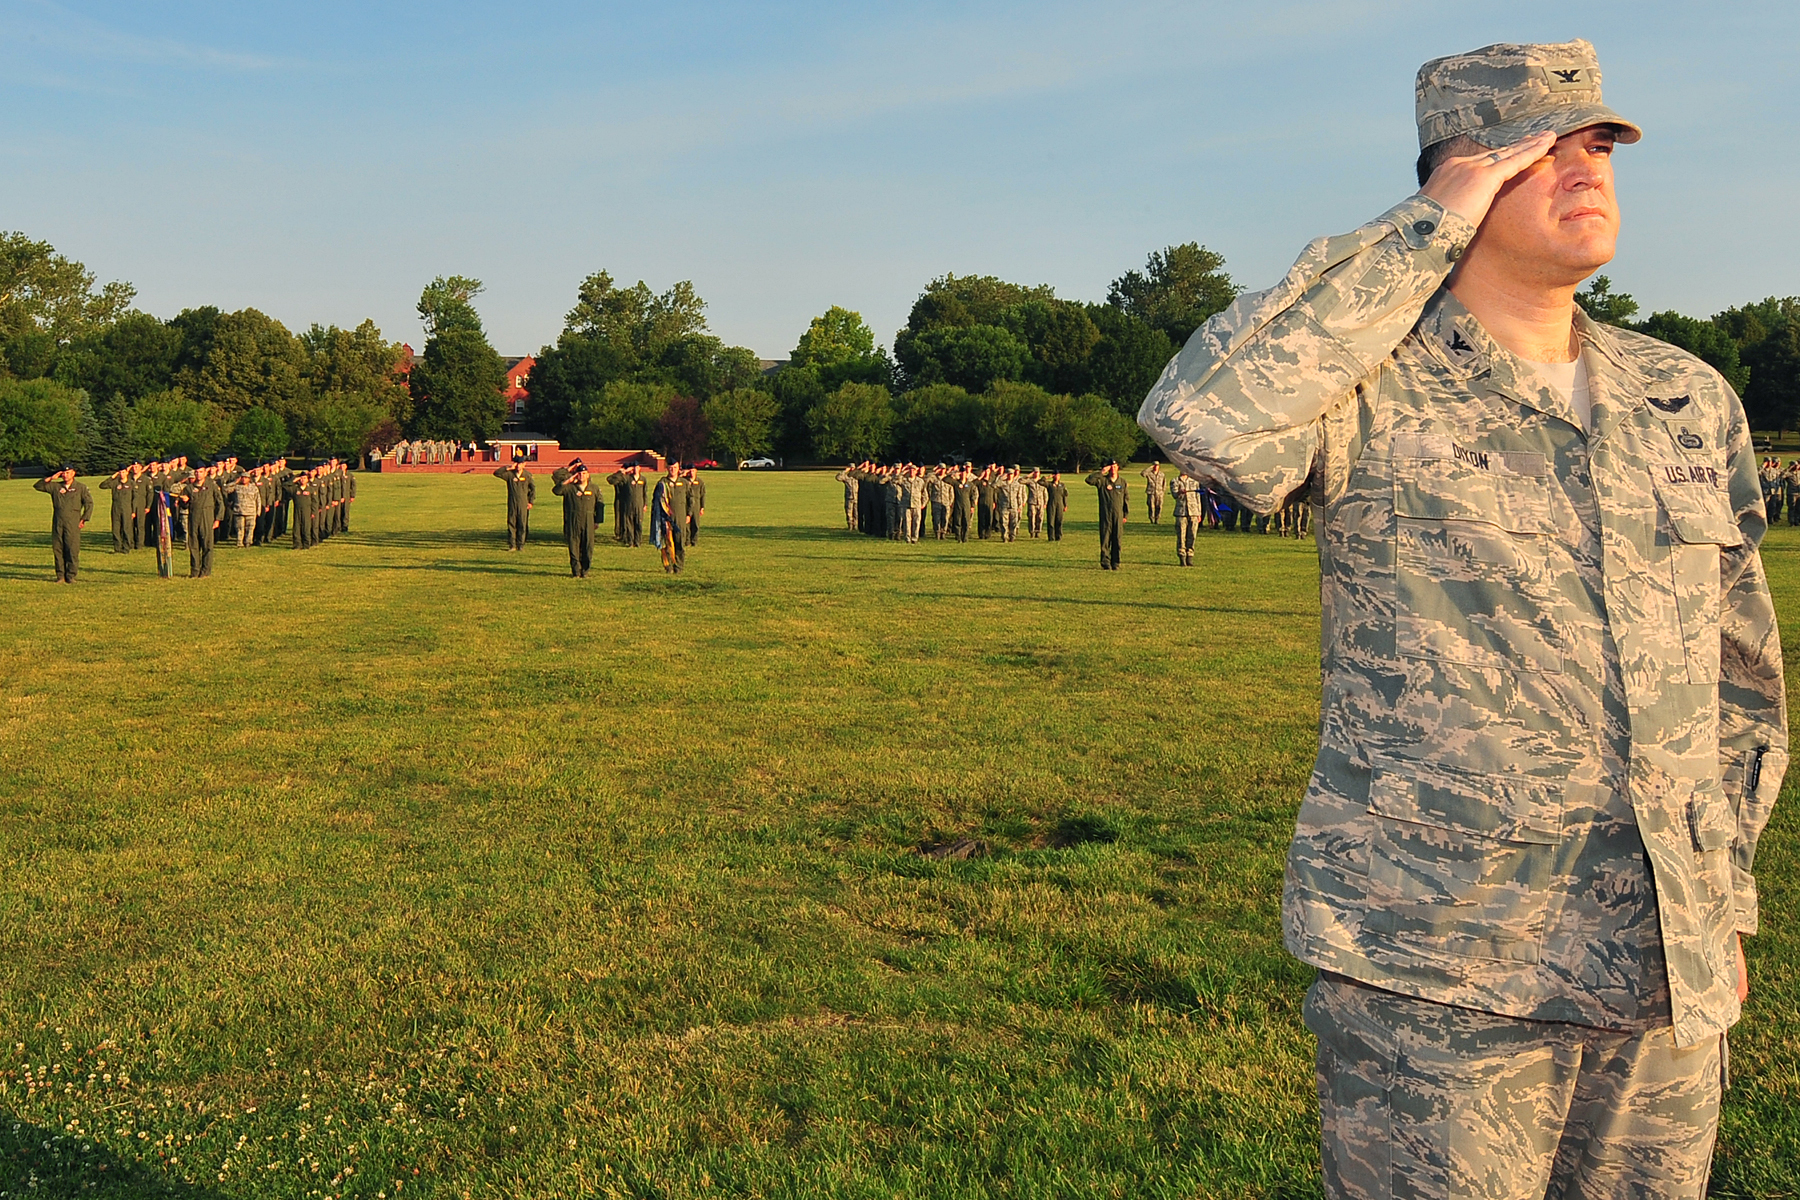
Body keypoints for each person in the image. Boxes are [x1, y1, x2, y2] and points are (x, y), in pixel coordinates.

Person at [1138, 40, 1783, 1200]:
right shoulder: (1371, 384)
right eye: (1545, 147)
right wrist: (1427, 223)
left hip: (1659, 973)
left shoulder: (1686, 398)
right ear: (1468, 171)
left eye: (1600, 142)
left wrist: (1721, 901)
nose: (1587, 164)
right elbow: (1204, 419)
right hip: (1441, 972)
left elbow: (1741, 678)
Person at [33, 465, 92, 582]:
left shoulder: (80, 487)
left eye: (68, 472)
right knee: (58, 549)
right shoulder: (56, 486)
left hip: (73, 521)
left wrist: (84, 518)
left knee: (72, 549)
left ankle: (71, 575)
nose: (66, 475)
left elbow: (89, 503)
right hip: (58, 521)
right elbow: (38, 486)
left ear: (73, 473)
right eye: (64, 473)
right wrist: (51, 478)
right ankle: (60, 575)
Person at [552, 464, 602, 577]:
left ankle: (585, 570)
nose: (581, 476)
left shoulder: (594, 488)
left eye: (584, 473)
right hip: (573, 520)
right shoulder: (570, 488)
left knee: (588, 546)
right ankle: (576, 571)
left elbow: (599, 505)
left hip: (588, 520)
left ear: (588, 475)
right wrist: (567, 481)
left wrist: (597, 521)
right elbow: (556, 491)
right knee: (574, 546)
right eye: (579, 473)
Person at [1084, 460, 1127, 569]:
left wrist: (1125, 515)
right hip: (1106, 514)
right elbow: (1088, 480)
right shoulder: (1102, 481)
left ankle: (1116, 562)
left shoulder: (1122, 482)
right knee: (1105, 539)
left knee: (1117, 539)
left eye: (1114, 466)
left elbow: (1126, 499)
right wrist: (1101, 472)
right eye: (1111, 467)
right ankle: (1105, 562)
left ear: (1118, 467)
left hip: (1118, 515)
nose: (1113, 468)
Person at [651, 461, 690, 573]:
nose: (673, 469)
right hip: (666, 518)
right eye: (671, 467)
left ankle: (679, 566)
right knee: (667, 543)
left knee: (680, 542)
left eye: (675, 467)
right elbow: (655, 500)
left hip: (680, 518)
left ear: (679, 468)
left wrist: (689, 514)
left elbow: (690, 498)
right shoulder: (662, 483)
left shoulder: (684, 482)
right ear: (667, 468)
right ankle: (668, 566)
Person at [493, 461, 535, 550]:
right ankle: (512, 545)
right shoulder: (510, 475)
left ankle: (521, 544)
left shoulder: (527, 475)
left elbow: (532, 489)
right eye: (517, 464)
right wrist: (508, 468)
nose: (518, 466)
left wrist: (530, 501)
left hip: (523, 503)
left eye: (520, 464)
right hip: (512, 503)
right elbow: (496, 473)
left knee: (522, 524)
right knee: (511, 523)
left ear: (524, 464)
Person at [99, 465, 136, 553]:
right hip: (116, 507)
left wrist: (133, 511)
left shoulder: (131, 483)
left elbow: (135, 498)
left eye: (123, 472)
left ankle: (126, 547)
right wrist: (112, 477)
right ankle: (117, 548)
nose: (122, 474)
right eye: (120, 472)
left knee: (126, 528)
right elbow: (102, 485)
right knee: (116, 529)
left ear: (127, 473)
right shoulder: (115, 483)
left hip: (127, 508)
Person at [1170, 471, 1203, 566]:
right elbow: (1174, 494)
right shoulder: (1175, 481)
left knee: (1192, 535)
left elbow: (1198, 498)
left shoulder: (1194, 481)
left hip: (1193, 512)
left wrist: (1199, 513)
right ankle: (1182, 556)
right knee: (1181, 536)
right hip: (1181, 512)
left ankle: (1190, 556)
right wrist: (1180, 492)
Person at [232, 473, 261, 548]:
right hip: (239, 511)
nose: (244, 479)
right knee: (239, 528)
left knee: (250, 528)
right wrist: (235, 482)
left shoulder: (254, 488)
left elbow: (258, 500)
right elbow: (226, 489)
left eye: (246, 478)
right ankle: (239, 542)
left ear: (249, 479)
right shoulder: (237, 487)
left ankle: (248, 542)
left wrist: (258, 511)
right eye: (243, 477)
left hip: (251, 511)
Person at [835, 464, 860, 531]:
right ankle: (850, 526)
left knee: (856, 512)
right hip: (849, 497)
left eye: (853, 468)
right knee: (849, 512)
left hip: (857, 497)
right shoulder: (846, 477)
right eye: (851, 468)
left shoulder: (857, 476)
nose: (852, 469)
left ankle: (856, 526)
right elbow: (838, 478)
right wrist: (845, 471)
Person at [1044, 472, 1067, 541]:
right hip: (1051, 503)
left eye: (1058, 475)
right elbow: (1040, 482)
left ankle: (1058, 536)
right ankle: (1051, 537)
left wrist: (1065, 505)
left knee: (1059, 520)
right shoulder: (1049, 484)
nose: (1057, 477)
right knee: (1051, 521)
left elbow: (1065, 495)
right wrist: (1048, 477)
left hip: (1060, 504)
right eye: (1056, 475)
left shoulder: (1062, 485)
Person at [686, 467, 706, 545]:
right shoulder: (685, 481)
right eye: (690, 471)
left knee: (695, 523)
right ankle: (687, 540)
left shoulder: (700, 482)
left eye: (693, 471)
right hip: (687, 505)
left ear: (696, 471)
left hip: (696, 505)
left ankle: (694, 540)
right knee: (687, 524)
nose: (691, 473)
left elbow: (703, 495)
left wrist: (702, 507)